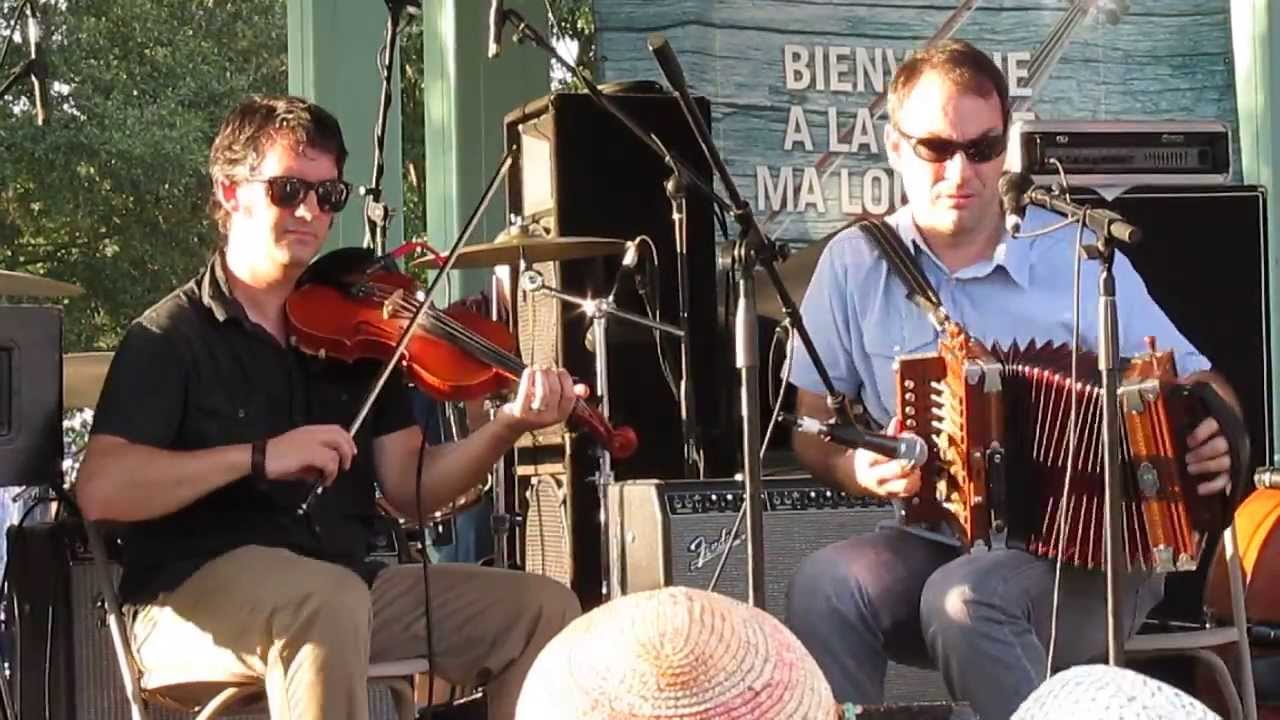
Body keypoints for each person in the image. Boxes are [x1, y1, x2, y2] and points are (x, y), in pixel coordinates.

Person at [74, 94, 581, 720]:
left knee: (544, 610)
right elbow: (101, 489)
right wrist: (258, 457)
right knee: (327, 598)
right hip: (185, 605)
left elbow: (410, 490)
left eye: (329, 195)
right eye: (290, 189)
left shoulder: (354, 331)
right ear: (231, 192)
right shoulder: (171, 336)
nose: (311, 211)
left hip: (344, 587)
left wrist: (505, 428)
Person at [783, 40, 1238, 720]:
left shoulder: (1073, 253)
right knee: (824, 584)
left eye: (984, 147)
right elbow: (809, 430)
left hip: (1095, 554)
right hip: (936, 540)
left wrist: (1216, 430)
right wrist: (857, 469)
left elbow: (1207, 385)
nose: (962, 170)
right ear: (896, 147)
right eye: (937, 148)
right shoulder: (854, 265)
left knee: (965, 599)